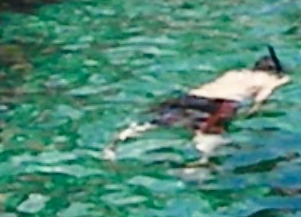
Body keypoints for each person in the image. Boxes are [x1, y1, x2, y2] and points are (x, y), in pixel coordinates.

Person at [109, 50, 289, 158]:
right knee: (209, 133)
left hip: (194, 95)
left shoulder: (235, 72)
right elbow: (260, 100)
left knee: (155, 123)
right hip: (222, 103)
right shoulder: (271, 80)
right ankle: (200, 163)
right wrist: (252, 112)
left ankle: (116, 143)